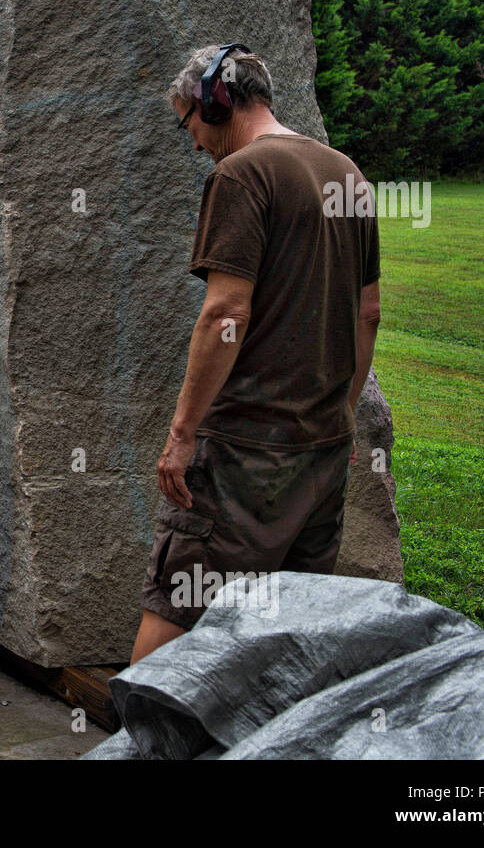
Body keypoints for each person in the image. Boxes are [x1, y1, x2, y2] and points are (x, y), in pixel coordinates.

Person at [131, 44, 382, 663]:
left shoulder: (240, 175)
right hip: (323, 451)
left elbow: (226, 313)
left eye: (188, 123)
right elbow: (368, 313)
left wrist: (182, 434)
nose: (194, 143)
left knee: (176, 619)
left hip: (243, 454)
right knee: (283, 637)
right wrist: (342, 417)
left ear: (214, 103)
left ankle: (136, 724)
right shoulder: (347, 173)